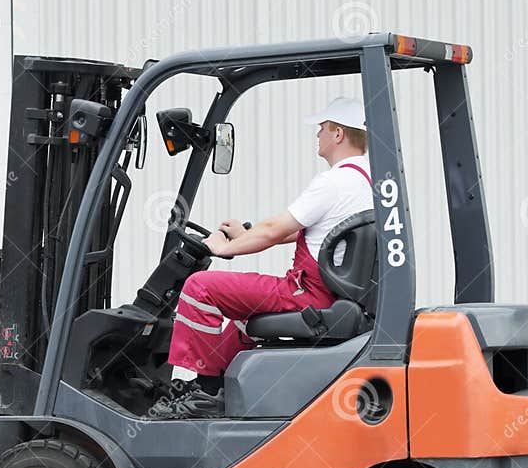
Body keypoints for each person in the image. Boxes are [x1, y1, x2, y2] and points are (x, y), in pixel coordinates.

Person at [149, 97, 374, 420]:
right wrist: (243, 235)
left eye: (322, 128)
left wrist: (221, 248)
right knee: (243, 319)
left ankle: (206, 394)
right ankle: (214, 386)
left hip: (310, 294)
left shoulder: (334, 182)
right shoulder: (365, 180)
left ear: (338, 134)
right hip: (329, 292)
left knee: (200, 287)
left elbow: (271, 230)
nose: (317, 135)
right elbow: (299, 229)